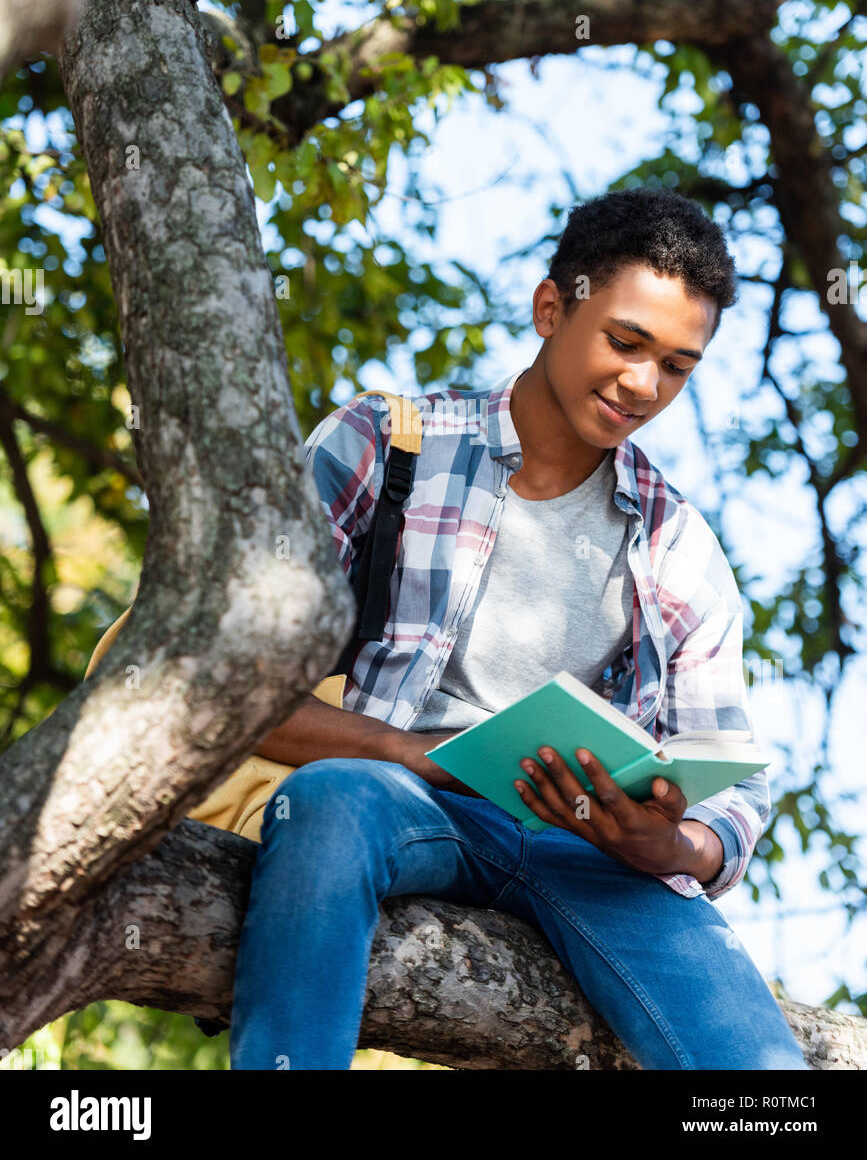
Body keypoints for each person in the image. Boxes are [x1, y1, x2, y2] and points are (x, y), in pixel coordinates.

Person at [229, 187, 809, 1071]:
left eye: (678, 366)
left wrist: (670, 841)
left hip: (593, 852)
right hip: (403, 801)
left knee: (760, 1080)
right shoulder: (382, 444)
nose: (643, 385)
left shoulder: (676, 543)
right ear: (552, 307)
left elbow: (733, 786)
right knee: (331, 800)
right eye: (624, 342)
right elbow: (230, 686)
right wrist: (413, 753)